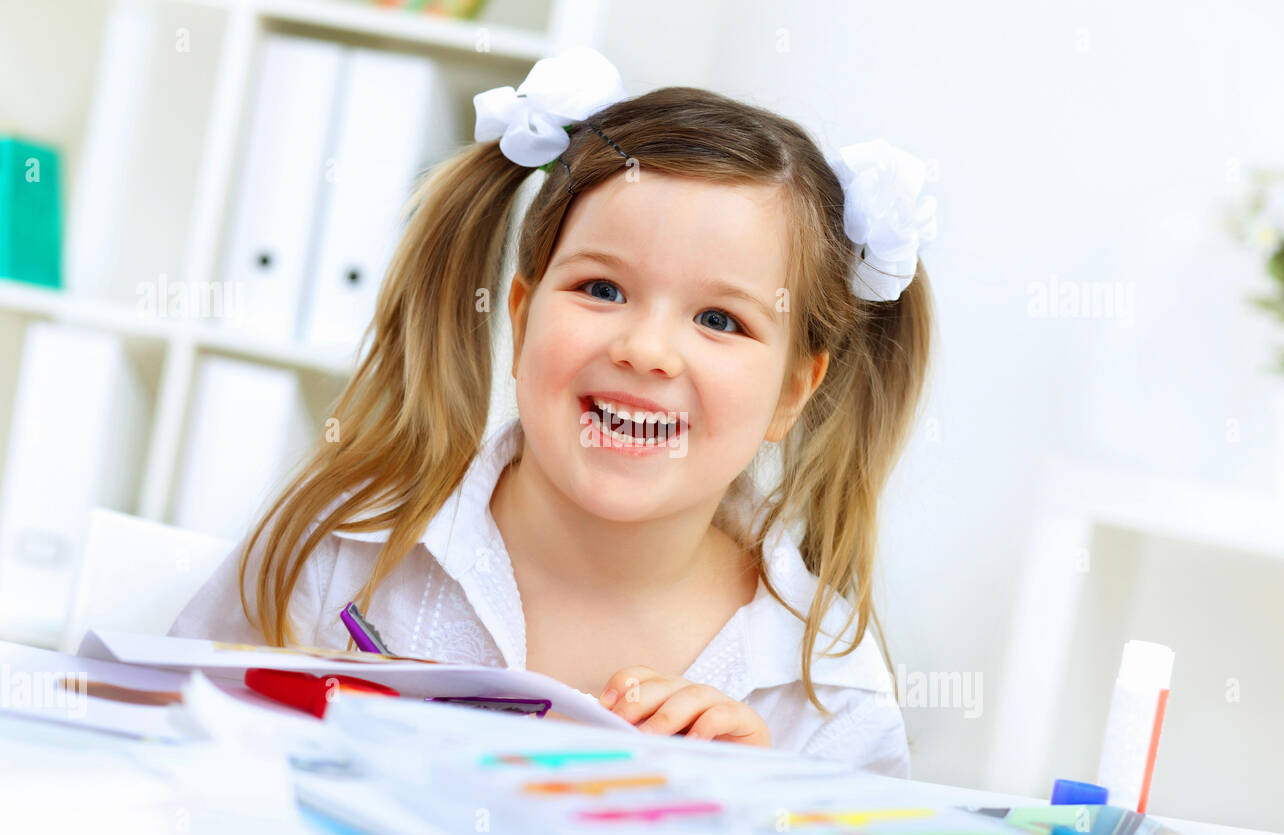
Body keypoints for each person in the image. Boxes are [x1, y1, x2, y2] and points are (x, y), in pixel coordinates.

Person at [169, 47, 937, 776]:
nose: (647, 350)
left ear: (792, 393)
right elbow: (163, 778)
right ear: (522, 316)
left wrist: (745, 819)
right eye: (602, 290)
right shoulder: (339, 546)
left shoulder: (830, 695)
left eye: (720, 320)